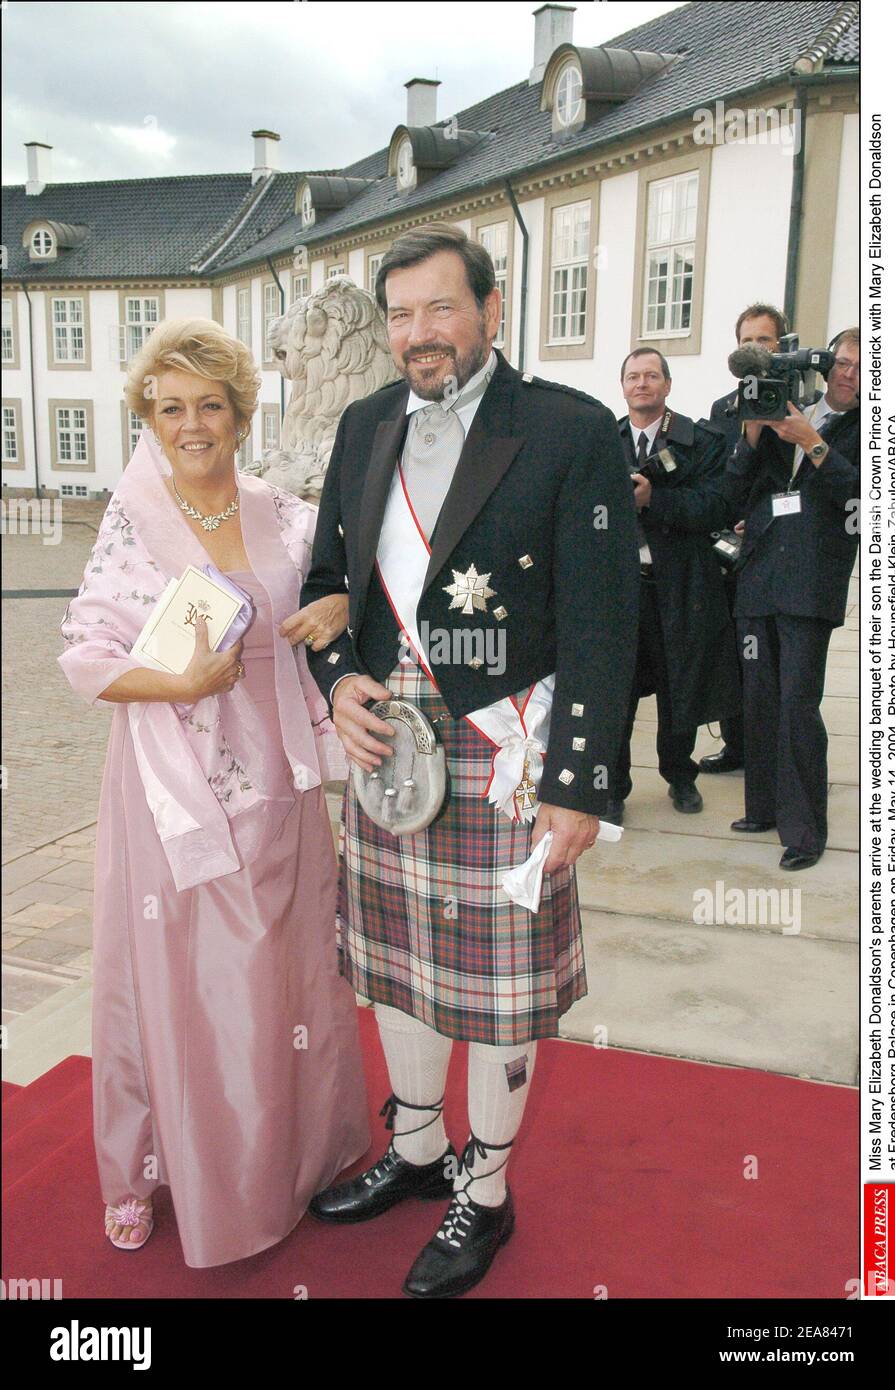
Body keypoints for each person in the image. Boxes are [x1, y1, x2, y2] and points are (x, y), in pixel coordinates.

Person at [299, 224, 639, 1298]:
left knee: (497, 986)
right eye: (400, 314)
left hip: (509, 744)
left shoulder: (568, 430)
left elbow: (601, 620)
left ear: (490, 311)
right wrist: (340, 683)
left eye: (440, 308)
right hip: (389, 742)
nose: (418, 333)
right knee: (396, 961)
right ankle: (414, 1150)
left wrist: (581, 784)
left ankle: (483, 1195)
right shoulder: (362, 427)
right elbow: (327, 586)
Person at [58, 318, 370, 1267]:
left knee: (280, 977)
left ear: (240, 414)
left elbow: (343, 589)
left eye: (210, 405)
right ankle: (152, 1168)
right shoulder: (131, 519)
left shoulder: (286, 513)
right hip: (169, 785)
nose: (192, 424)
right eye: (171, 407)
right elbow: (83, 655)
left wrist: (343, 600)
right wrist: (182, 684)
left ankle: (293, 1157)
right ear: (147, 417)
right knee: (176, 982)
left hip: (277, 771)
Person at [721, 327, 860, 869]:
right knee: (758, 700)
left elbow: (859, 500)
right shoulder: (780, 406)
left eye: (861, 366)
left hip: (810, 586)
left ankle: (804, 832)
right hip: (758, 580)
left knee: (797, 705)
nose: (848, 373)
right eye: (842, 361)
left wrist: (811, 440)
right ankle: (764, 807)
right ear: (825, 364)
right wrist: (754, 433)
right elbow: (732, 491)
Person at [609, 349, 739, 823]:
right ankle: (613, 790)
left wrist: (653, 500)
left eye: (651, 376)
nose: (642, 384)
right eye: (633, 376)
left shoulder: (700, 440)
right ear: (623, 386)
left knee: (679, 690)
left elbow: (715, 506)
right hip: (623, 593)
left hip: (681, 587)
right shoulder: (605, 440)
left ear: (667, 384)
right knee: (617, 697)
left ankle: (680, 777)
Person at [702, 303, 789, 774]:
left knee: (771, 660)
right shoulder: (725, 409)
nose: (754, 350)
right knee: (733, 654)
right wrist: (749, 434)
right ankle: (736, 746)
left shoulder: (797, 404)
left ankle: (769, 753)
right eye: (746, 342)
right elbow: (723, 477)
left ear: (781, 346)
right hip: (730, 547)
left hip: (777, 546)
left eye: (765, 341)